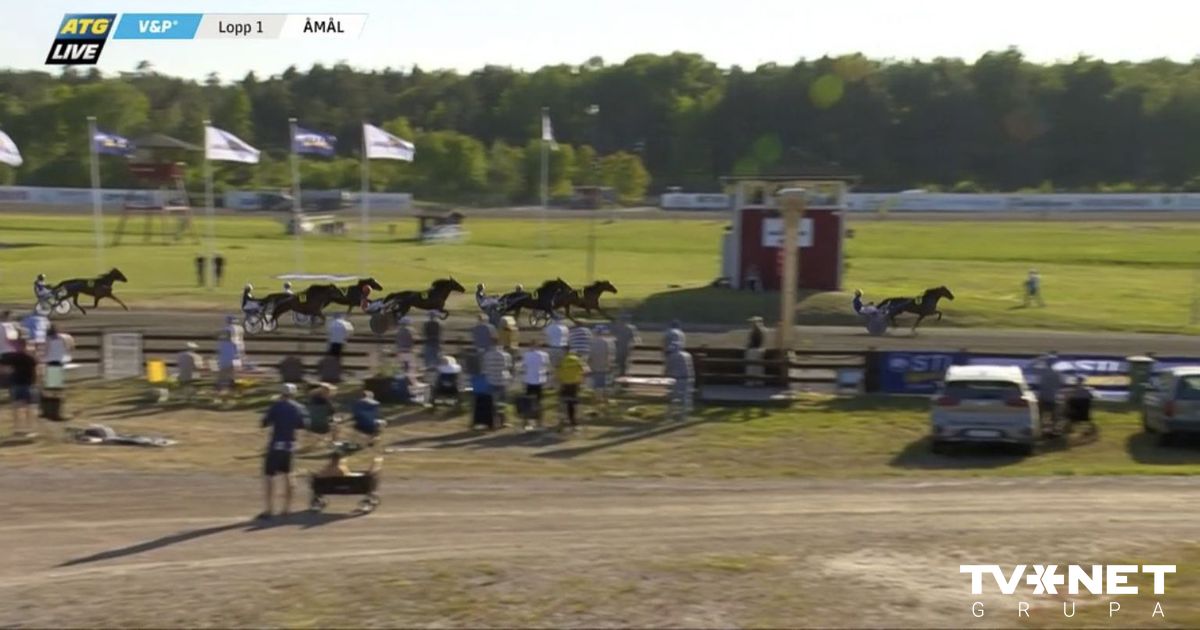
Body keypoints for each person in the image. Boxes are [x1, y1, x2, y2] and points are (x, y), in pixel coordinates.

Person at [259, 383, 309, 519]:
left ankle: (269, 509)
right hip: (290, 444)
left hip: (276, 444)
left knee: (269, 476)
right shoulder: (299, 408)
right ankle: (286, 508)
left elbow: (264, 423)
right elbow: (303, 425)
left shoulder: (276, 406)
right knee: (289, 474)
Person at [1, 341, 38, 436]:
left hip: (16, 384)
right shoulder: (30, 358)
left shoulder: (12, 357)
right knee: (29, 408)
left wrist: (8, 372)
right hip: (27, 384)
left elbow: (2, 367)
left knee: (16, 408)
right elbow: (36, 371)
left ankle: (17, 428)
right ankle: (30, 429)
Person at [556, 348, 587, 431]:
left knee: (563, 402)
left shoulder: (563, 360)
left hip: (565, 384)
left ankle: (563, 421)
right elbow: (584, 370)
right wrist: (581, 381)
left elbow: (559, 373)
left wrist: (560, 382)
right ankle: (574, 422)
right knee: (573, 403)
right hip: (574, 384)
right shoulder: (577, 360)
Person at [482, 341, 513, 424]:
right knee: (502, 402)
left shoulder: (486, 355)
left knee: (491, 402)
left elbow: (484, 368)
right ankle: (502, 420)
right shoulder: (506, 355)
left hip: (490, 380)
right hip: (502, 380)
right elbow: (508, 367)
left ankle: (491, 421)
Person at [521, 344, 550, 430]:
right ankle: (539, 423)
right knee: (539, 402)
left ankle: (527, 423)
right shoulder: (544, 355)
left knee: (527, 403)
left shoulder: (526, 355)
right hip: (539, 380)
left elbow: (523, 366)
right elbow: (547, 366)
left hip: (528, 380)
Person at [665, 342, 695, 421]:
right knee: (685, 398)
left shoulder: (672, 356)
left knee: (673, 398)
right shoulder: (687, 355)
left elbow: (668, 369)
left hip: (676, 379)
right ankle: (683, 416)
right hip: (688, 377)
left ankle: (670, 415)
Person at [1035, 351, 1062, 431]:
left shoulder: (1042, 371)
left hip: (1043, 396)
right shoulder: (1056, 373)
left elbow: (1032, 367)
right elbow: (1059, 384)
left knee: (1040, 415)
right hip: (1052, 396)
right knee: (1054, 415)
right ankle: (1053, 428)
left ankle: (1040, 428)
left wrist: (1040, 358)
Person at [589, 325, 615, 405]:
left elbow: (590, 354)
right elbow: (609, 354)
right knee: (603, 382)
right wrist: (609, 364)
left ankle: (598, 398)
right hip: (604, 364)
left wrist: (589, 363)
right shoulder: (607, 342)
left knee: (596, 382)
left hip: (594, 364)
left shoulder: (592, 342)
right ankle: (601, 398)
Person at [611, 311, 641, 378]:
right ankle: (623, 375)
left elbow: (613, 336)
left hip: (619, 347)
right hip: (627, 347)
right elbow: (635, 338)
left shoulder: (617, 327)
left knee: (618, 363)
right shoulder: (631, 328)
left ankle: (617, 376)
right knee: (625, 363)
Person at [215, 330, 239, 404]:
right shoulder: (234, 344)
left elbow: (218, 353)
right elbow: (236, 355)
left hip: (222, 364)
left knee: (221, 381)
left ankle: (219, 398)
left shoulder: (221, 344)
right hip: (230, 364)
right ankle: (231, 397)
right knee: (230, 381)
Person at [545, 314, 569, 381]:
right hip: (562, 348)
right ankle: (561, 380)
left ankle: (554, 381)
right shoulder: (565, 328)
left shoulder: (549, 327)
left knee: (554, 367)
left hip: (552, 347)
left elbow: (546, 336)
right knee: (562, 366)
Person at [746, 316, 767, 386]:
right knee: (759, 367)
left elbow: (752, 342)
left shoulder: (755, 331)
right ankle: (759, 382)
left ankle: (751, 382)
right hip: (759, 350)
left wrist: (748, 347)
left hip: (753, 350)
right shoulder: (763, 330)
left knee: (751, 367)